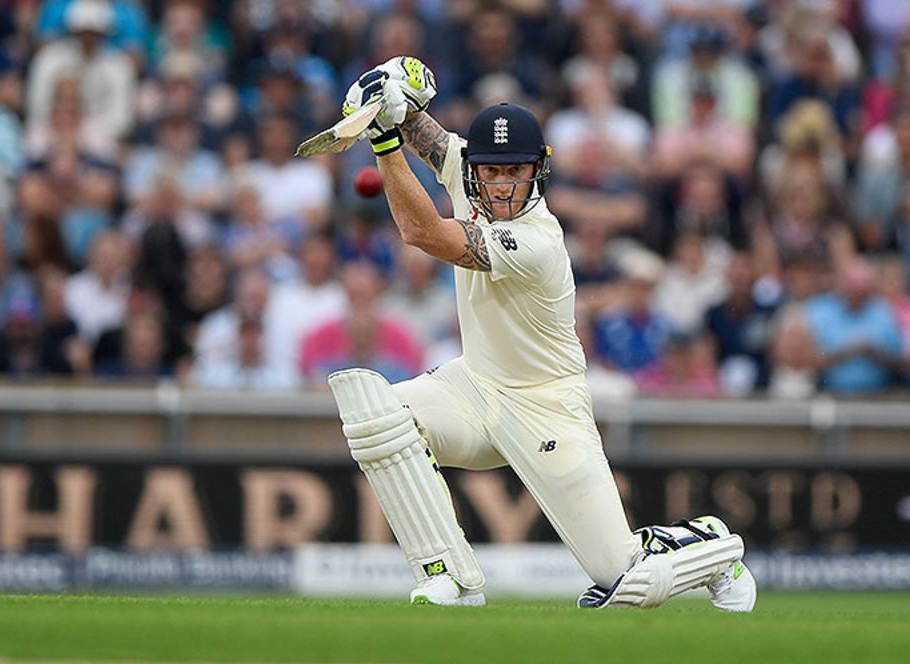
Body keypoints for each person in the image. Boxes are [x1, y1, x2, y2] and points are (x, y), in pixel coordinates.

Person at [320, 57, 755, 611]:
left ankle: (714, 544)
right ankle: (448, 578)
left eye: (515, 172)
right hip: (473, 388)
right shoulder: (470, 176)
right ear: (477, 170)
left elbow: (423, 233)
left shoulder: (538, 244)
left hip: (546, 406)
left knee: (623, 582)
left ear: (537, 172)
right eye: (492, 172)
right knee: (376, 413)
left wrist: (383, 144)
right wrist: (396, 101)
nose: (502, 185)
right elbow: (432, 142)